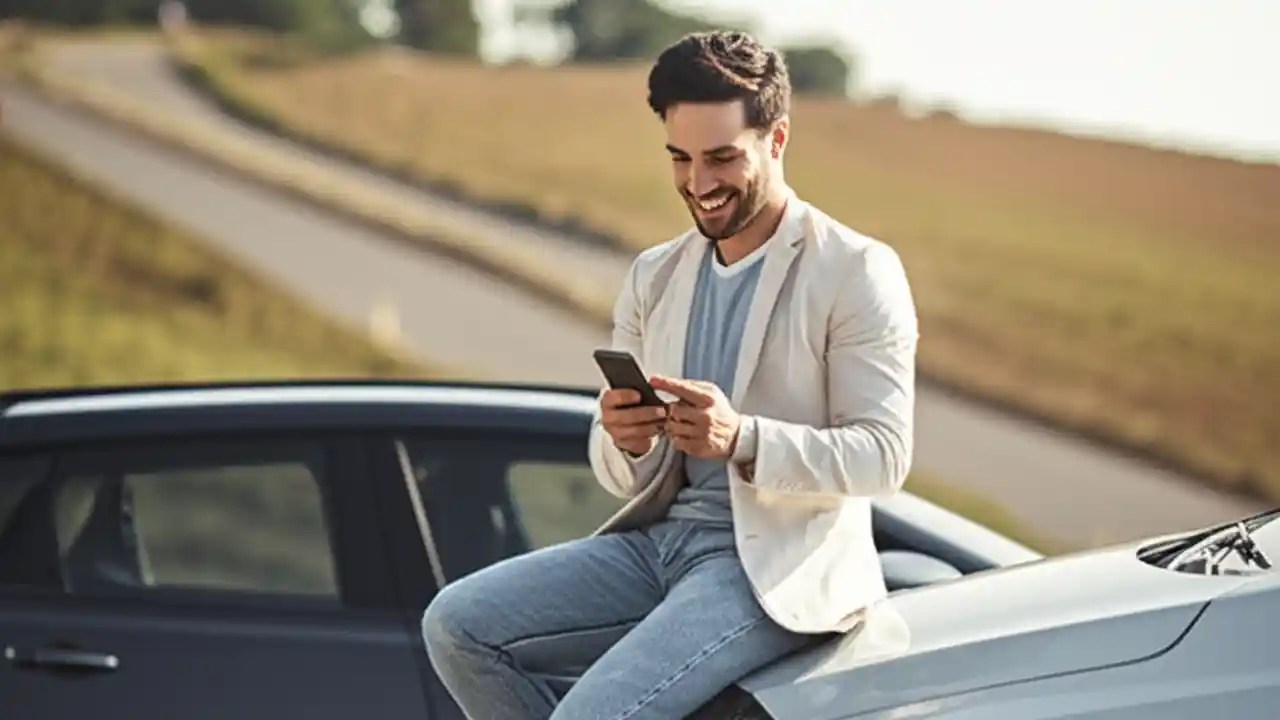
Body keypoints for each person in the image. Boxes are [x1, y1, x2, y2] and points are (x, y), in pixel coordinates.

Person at [422, 29, 919, 719]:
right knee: (457, 625)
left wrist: (742, 438)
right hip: (658, 548)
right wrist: (626, 438)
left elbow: (884, 456)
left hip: (770, 573)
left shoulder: (854, 270)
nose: (698, 183)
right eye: (680, 158)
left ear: (776, 140)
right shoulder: (655, 276)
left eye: (722, 157)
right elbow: (620, 471)